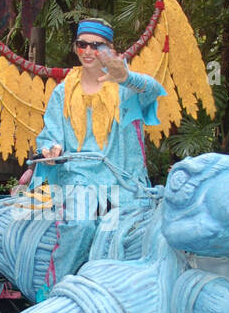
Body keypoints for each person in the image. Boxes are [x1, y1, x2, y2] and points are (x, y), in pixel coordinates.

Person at [34, 18, 166, 210]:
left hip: (121, 183)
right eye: (82, 44)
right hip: (76, 180)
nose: (88, 51)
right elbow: (50, 135)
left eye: (96, 45)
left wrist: (127, 78)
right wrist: (51, 149)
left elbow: (153, 91)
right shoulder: (62, 92)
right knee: (81, 223)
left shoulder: (125, 88)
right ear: (75, 47)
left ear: (109, 49)